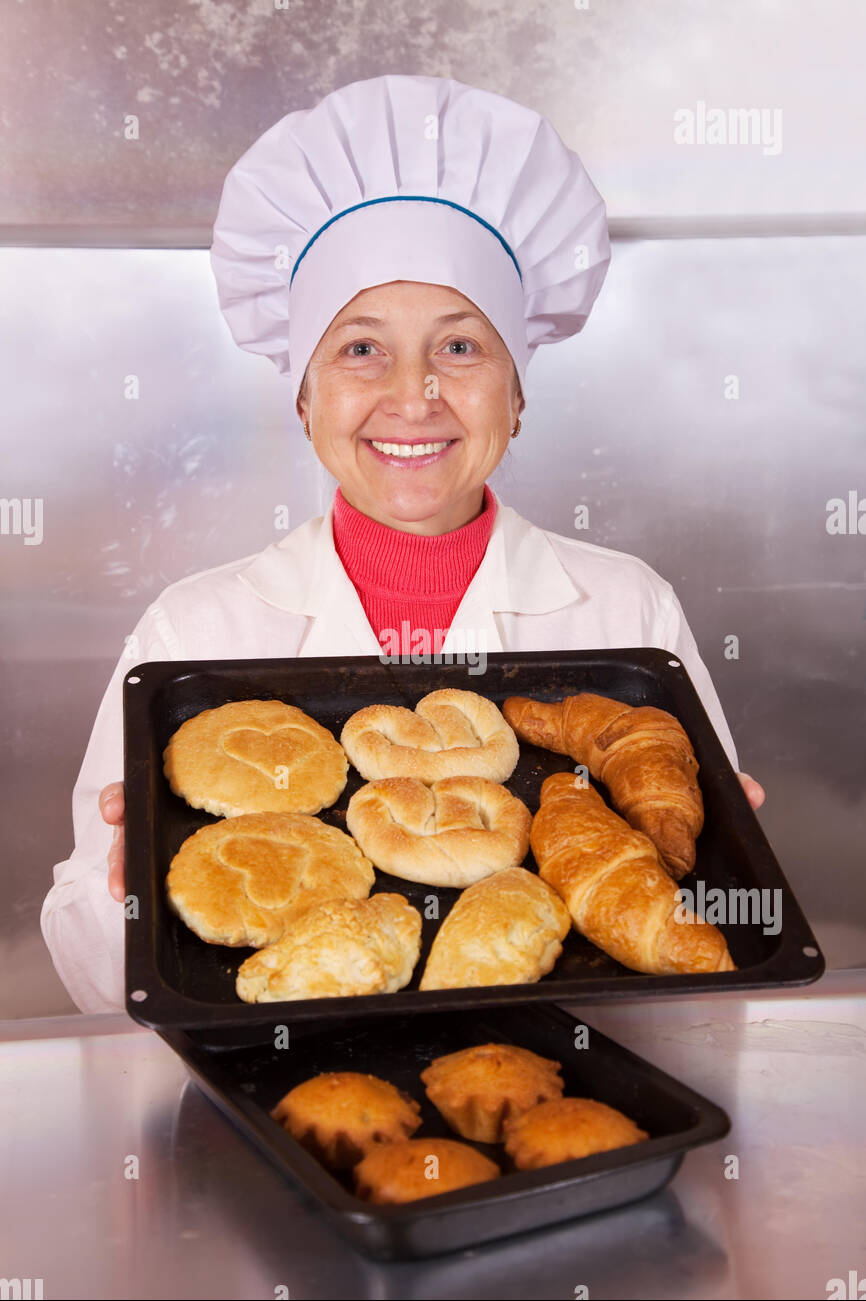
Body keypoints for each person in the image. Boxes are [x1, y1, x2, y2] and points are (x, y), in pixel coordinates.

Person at [41, 75, 764, 1014]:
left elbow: (709, 961)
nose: (415, 395)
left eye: (461, 348)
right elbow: (94, 978)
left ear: (519, 393)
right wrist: (124, 882)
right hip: (268, 1113)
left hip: (593, 1093)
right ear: (304, 399)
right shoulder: (194, 630)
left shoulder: (629, 610)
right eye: (360, 349)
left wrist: (725, 861)